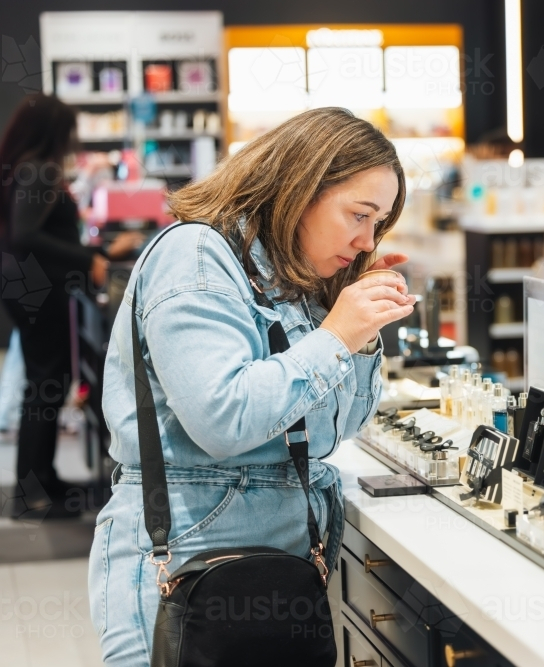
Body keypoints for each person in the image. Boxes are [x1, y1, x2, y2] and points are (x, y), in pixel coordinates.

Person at [89, 107, 416, 666]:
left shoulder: (296, 276)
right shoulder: (195, 256)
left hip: (279, 559)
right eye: (358, 215)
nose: (366, 241)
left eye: (378, 223)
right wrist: (335, 336)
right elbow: (223, 419)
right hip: (189, 550)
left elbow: (336, 428)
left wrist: (359, 339)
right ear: (299, 188)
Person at [0, 94, 138, 518]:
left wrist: (98, 252)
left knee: (50, 381)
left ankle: (42, 477)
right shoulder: (39, 168)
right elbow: (27, 235)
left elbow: (40, 234)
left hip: (29, 286)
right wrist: (89, 260)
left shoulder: (23, 165)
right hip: (36, 290)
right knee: (46, 384)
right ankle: (31, 493)